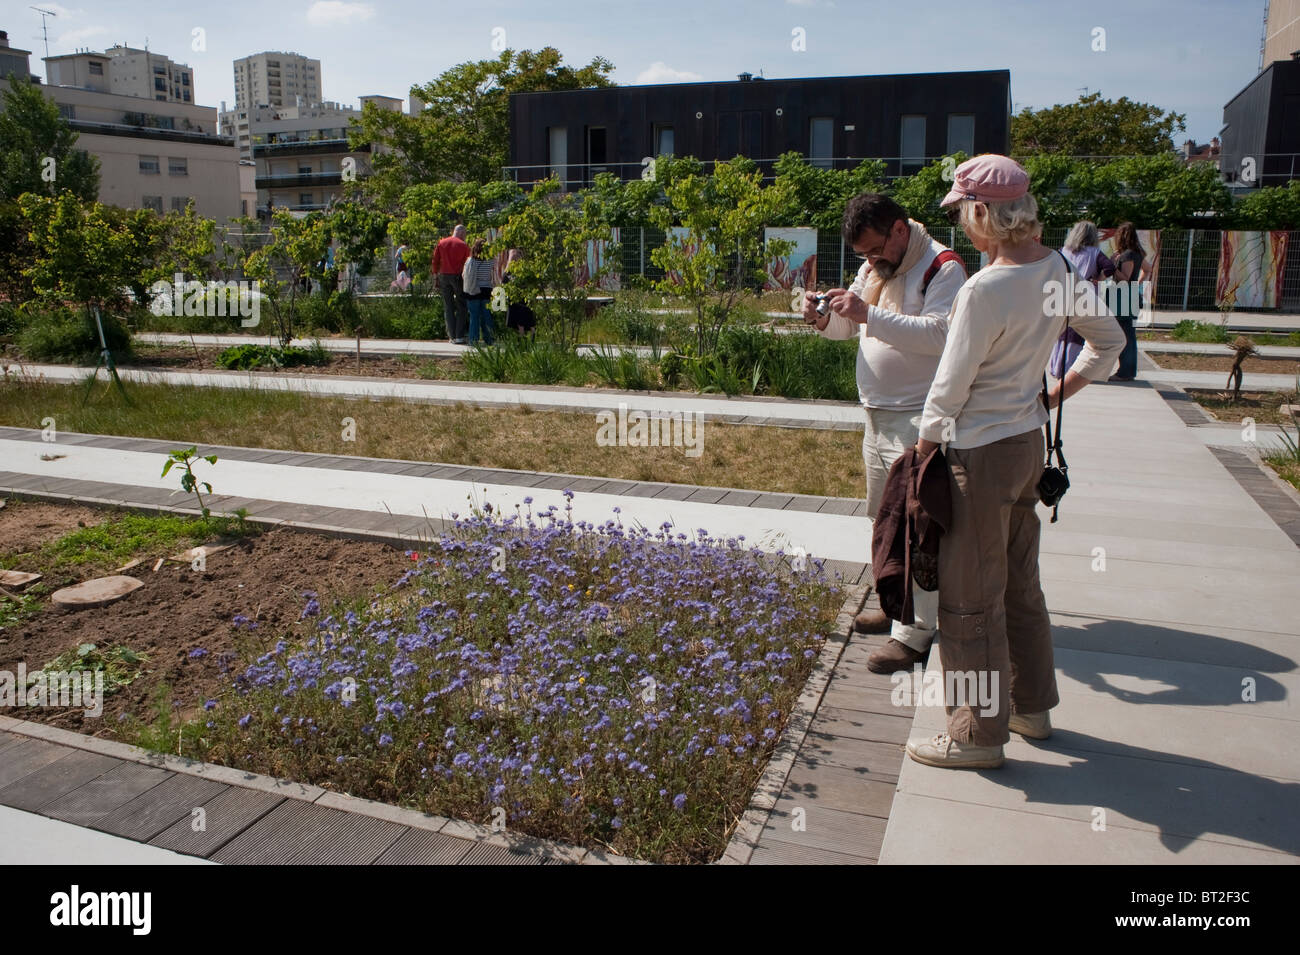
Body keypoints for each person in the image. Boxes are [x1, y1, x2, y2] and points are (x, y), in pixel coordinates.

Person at [905, 154, 1125, 769]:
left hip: (978, 454)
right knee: (1020, 586)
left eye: (962, 213)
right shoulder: (1056, 268)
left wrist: (923, 452)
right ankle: (1031, 707)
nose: (961, 227)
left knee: (970, 599)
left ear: (982, 212)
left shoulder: (985, 288)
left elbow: (949, 389)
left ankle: (976, 736)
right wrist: (1054, 391)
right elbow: (1109, 342)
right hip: (1028, 447)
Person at [804, 193, 966, 674]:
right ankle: (894, 601)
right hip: (877, 413)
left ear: (900, 230)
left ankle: (914, 635)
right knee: (884, 518)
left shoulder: (944, 267)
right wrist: (823, 319)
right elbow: (849, 330)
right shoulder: (878, 268)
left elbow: (940, 334)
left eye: (877, 251)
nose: (871, 262)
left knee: (918, 526)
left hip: (919, 418)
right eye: (864, 257)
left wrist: (867, 313)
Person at [1052, 221, 1115, 378]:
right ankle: (1069, 368)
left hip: (1062, 292)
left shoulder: (1063, 251)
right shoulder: (1094, 253)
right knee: (1078, 331)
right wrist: (1099, 278)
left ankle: (1056, 366)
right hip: (1084, 295)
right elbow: (1110, 267)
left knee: (1060, 330)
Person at [1108, 222, 1149, 381]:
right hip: (1130, 295)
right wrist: (1137, 284)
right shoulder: (1138, 252)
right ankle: (1128, 370)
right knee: (1128, 334)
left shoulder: (1126, 256)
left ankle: (1124, 372)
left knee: (1124, 335)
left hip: (1122, 297)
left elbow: (1124, 278)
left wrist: (1112, 265)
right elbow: (1148, 269)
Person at [431, 224, 470, 343]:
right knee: (461, 305)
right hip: (457, 277)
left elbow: (435, 260)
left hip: (443, 275)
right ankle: (459, 335)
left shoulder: (442, 243)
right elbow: (467, 263)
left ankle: (452, 335)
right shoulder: (463, 245)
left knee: (448, 306)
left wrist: (435, 275)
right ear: (462, 233)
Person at [462, 238, 497, 346]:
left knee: (474, 316)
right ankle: (489, 338)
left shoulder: (470, 261)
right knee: (487, 316)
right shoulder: (491, 260)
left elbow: (464, 275)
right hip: (486, 289)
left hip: (473, 290)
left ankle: (473, 340)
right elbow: (493, 276)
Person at [502, 248, 537, 335]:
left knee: (519, 324)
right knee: (529, 322)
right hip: (525, 299)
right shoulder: (525, 270)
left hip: (514, 301)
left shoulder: (508, 272)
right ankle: (531, 339)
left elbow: (504, 282)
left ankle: (521, 342)